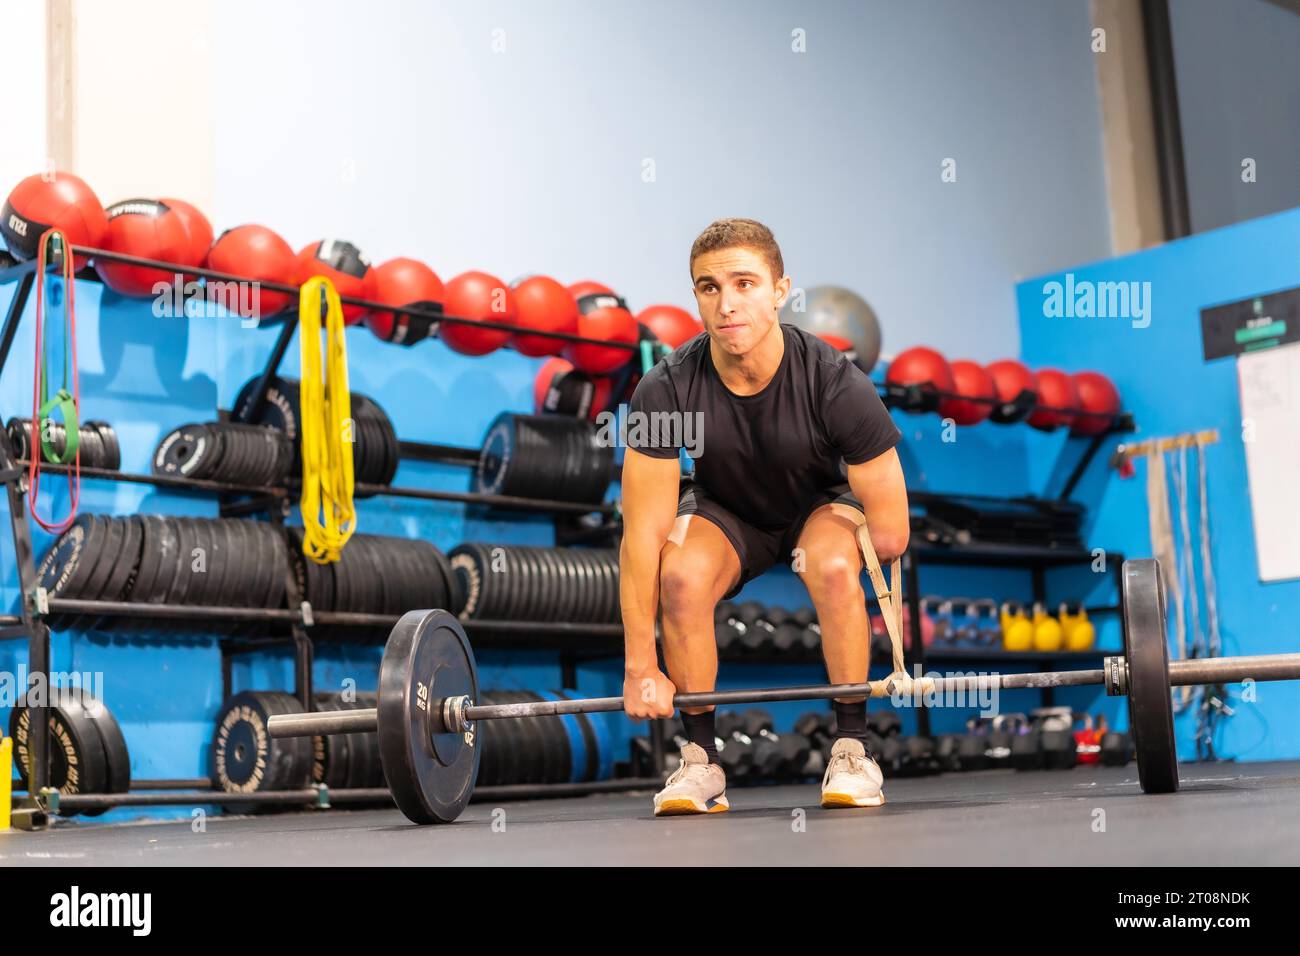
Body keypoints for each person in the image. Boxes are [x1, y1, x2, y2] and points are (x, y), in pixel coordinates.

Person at [618, 218, 909, 815]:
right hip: (731, 514)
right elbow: (640, 535)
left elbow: (891, 529)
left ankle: (853, 748)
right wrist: (640, 666)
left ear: (780, 290)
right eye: (708, 288)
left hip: (817, 507)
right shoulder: (665, 389)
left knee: (830, 564)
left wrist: (861, 587)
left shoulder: (834, 381)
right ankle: (701, 762)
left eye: (745, 284)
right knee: (678, 576)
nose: (727, 305)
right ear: (695, 296)